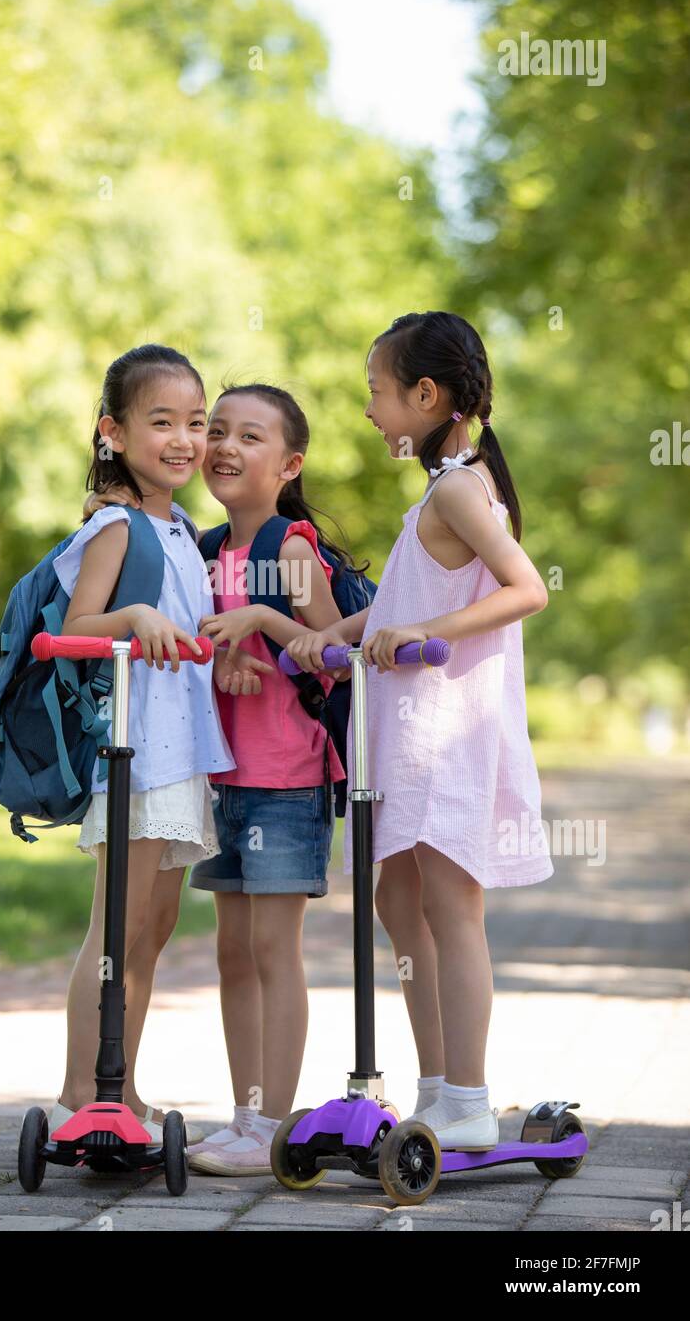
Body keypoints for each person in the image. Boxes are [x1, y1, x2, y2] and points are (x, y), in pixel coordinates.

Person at [286, 311, 553, 1151]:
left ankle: (467, 1094)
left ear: (426, 396)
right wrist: (343, 633)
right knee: (398, 899)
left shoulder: (457, 488)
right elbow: (407, 606)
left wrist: (414, 637)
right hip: (406, 734)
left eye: (377, 391)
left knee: (450, 909)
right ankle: (438, 1086)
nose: (369, 409)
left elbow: (527, 590)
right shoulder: (444, 489)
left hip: (447, 733)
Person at [88, 382, 364, 1174]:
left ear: (289, 464)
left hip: (285, 780)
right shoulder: (201, 549)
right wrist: (231, 654)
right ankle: (244, 1113)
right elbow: (199, 651)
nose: (225, 448)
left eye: (251, 437)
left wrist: (265, 627)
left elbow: (331, 655)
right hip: (223, 779)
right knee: (232, 953)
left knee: (275, 948)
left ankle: (275, 1121)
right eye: (222, 433)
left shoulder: (289, 546)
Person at [48, 342, 247, 1144]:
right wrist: (131, 620)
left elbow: (185, 629)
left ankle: (119, 1091)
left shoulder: (183, 529)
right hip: (132, 755)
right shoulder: (116, 528)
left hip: (178, 758)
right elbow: (75, 630)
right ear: (113, 432)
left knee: (153, 930)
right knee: (115, 928)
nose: (184, 440)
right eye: (161, 421)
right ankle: (77, 1097)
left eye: (196, 423)